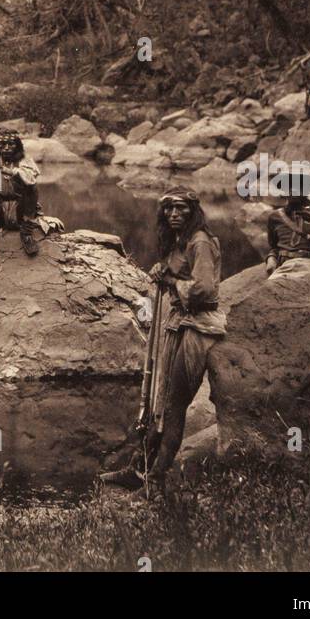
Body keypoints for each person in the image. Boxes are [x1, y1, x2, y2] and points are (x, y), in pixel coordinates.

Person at [100, 187, 225, 491]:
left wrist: (170, 280)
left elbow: (204, 290)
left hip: (197, 328)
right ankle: (138, 469)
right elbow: (176, 276)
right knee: (156, 401)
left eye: (181, 208)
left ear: (193, 210)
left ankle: (155, 479)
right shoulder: (179, 242)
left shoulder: (201, 242)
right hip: (176, 323)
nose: (173, 214)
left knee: (173, 405)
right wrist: (162, 270)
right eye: (168, 209)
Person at [0, 129, 63, 257]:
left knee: (31, 187)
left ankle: (26, 232)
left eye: (11, 144)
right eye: (3, 145)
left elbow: (30, 179)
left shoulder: (24, 159)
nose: (7, 148)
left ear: (17, 146)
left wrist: (7, 170)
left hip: (21, 207)